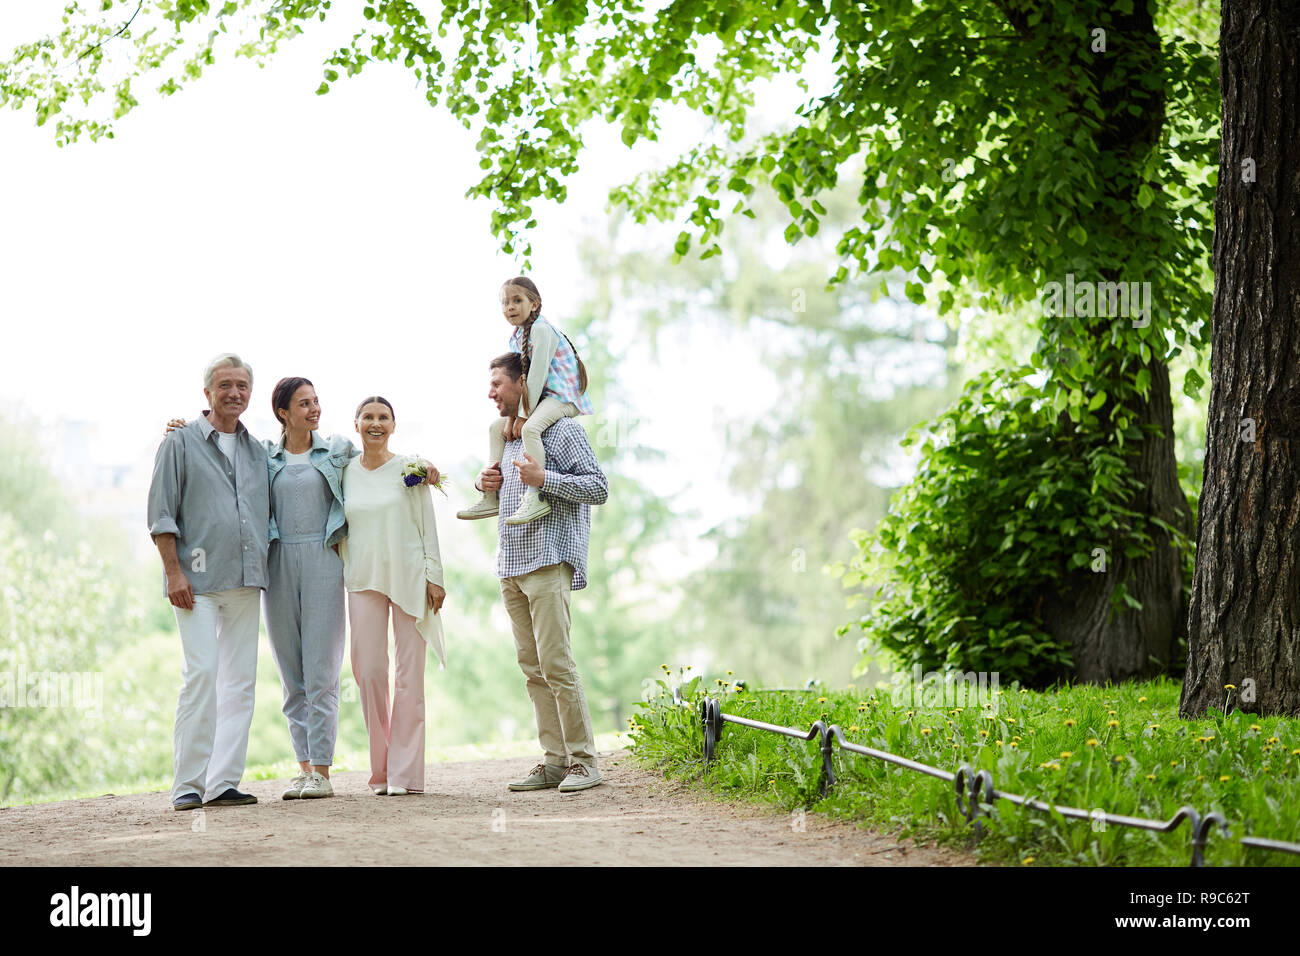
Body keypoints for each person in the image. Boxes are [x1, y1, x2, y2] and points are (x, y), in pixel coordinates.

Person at [164, 383, 442, 801]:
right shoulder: (261, 455)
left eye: (316, 402)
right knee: (292, 674)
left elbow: (383, 462)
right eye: (304, 404)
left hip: (325, 562)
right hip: (276, 565)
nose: (314, 409)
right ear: (282, 413)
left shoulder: (336, 452)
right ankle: (305, 768)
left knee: (322, 672)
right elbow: (217, 449)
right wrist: (183, 430)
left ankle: (324, 773)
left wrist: (425, 468)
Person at [473, 353, 608, 793]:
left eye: (497, 384)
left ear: (523, 383)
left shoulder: (563, 430)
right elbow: (508, 491)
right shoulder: (508, 436)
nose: (490, 393)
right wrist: (486, 483)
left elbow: (598, 487)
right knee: (532, 668)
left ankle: (585, 762)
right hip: (510, 566)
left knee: (556, 664)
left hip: (548, 563)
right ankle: (554, 762)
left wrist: (544, 477)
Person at [147, 353, 269, 811]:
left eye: (241, 386)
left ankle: (222, 782)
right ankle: (187, 784)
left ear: (249, 393)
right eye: (225, 385)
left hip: (245, 580)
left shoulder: (259, 451)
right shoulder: (179, 443)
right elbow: (160, 513)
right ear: (207, 393)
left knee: (240, 682)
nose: (234, 393)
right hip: (194, 582)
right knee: (201, 675)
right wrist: (173, 571)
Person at [340, 396, 447, 796]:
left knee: (409, 677)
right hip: (362, 579)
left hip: (409, 577)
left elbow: (427, 525)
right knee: (368, 673)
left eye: (383, 417)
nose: (375, 423)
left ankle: (405, 775)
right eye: (368, 416)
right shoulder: (344, 471)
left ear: (393, 425)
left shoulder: (411, 469)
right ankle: (381, 771)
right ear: (356, 424)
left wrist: (434, 577)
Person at [457, 276, 594, 526]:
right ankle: (490, 496)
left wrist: (521, 416)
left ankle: (535, 496)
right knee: (495, 428)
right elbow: (521, 383)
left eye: (516, 300)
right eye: (504, 302)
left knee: (531, 429)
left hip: (562, 396)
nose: (509, 307)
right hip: (540, 398)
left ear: (535, 304)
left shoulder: (542, 330)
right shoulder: (516, 337)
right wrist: (509, 419)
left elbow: (537, 375)